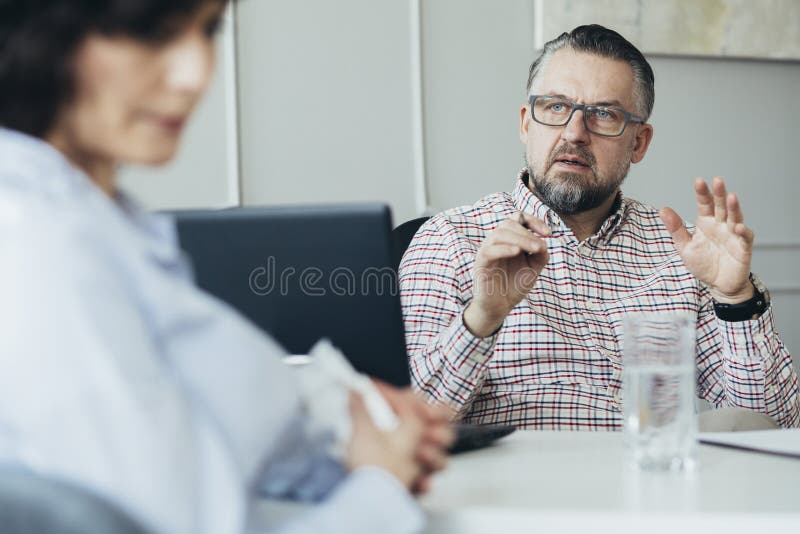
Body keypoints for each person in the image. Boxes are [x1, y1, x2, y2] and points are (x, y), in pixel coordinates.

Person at [0, 1, 452, 534]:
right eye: (150, 32)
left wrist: (348, 425)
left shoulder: (99, 220)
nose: (197, 73)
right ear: (37, 32)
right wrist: (382, 484)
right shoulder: (44, 250)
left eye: (209, 30)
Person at [399, 24, 799, 430]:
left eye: (603, 115)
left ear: (639, 143)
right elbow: (407, 427)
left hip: (650, 485)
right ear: (526, 123)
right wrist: (482, 317)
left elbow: (777, 425)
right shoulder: (449, 240)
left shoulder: (686, 255)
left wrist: (735, 298)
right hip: (514, 489)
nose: (575, 133)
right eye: (555, 107)